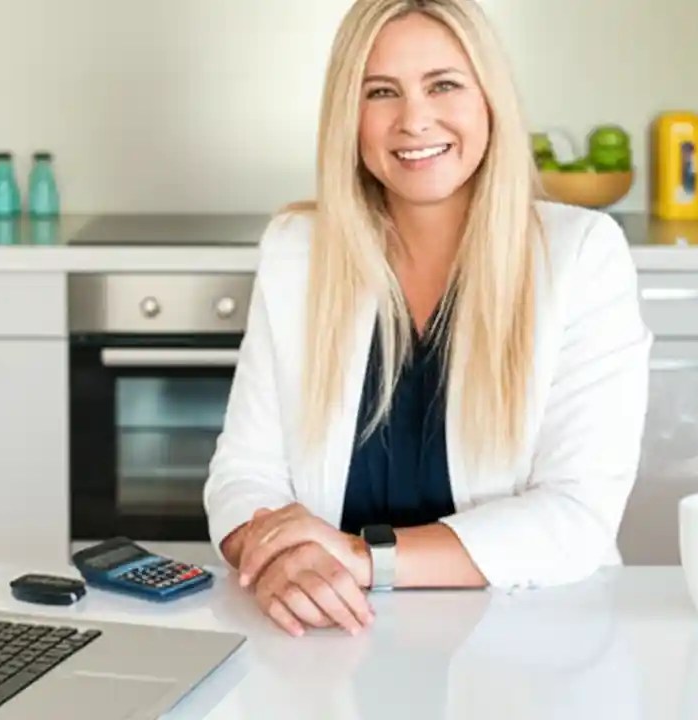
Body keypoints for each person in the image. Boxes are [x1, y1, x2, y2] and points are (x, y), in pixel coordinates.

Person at [203, 0, 652, 638]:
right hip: (326, 640)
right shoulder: (296, 249)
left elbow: (576, 514)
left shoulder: (580, 254)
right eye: (381, 92)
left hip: (527, 646)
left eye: (443, 84)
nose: (414, 120)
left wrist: (360, 558)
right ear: (348, 119)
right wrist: (273, 557)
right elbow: (244, 473)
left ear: (489, 101)